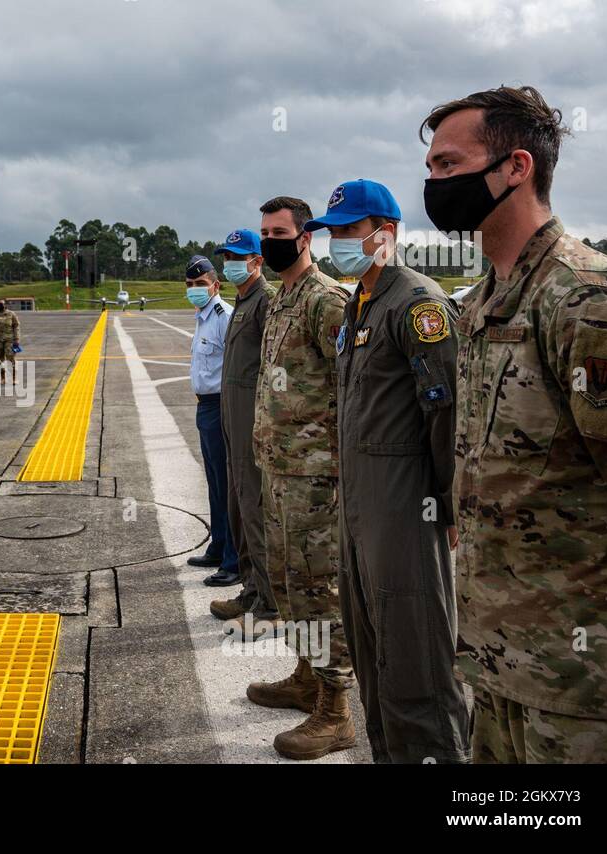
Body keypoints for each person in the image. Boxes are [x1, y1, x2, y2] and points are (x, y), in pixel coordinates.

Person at [423, 85, 607, 763]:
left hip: (584, 686)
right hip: (498, 659)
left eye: (448, 166)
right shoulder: (483, 301)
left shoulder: (584, 300)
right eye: (430, 170)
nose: (434, 184)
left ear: (517, 167)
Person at [311, 178, 469, 763]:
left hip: (407, 507)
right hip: (362, 510)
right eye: (332, 234)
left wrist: (448, 508)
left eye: (349, 231)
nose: (338, 243)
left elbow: (447, 411)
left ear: (386, 233)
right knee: (374, 649)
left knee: (416, 659)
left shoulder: (417, 303)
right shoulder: (360, 302)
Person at [247, 195, 356, 760]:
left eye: (279, 231)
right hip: (280, 469)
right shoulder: (282, 298)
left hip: (318, 477)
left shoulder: (325, 300)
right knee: (290, 587)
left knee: (321, 589)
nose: (269, 241)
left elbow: (354, 388)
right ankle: (307, 678)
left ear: (305, 236)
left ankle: (337, 711)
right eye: (263, 232)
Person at [210, 233, 279, 638]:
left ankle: (268, 605)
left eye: (237, 257)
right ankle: (251, 589)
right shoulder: (243, 301)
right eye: (226, 257)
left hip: (252, 424)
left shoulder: (265, 300)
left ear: (256, 261)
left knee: (255, 510)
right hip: (233, 422)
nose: (229, 263)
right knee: (239, 506)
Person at [182, 253, 239, 588]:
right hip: (205, 407)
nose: (195, 289)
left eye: (200, 284)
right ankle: (218, 546)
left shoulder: (223, 317)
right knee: (215, 484)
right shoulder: (203, 317)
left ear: (215, 285)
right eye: (190, 285)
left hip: (221, 407)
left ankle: (233, 560)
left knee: (228, 484)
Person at [0, 299, 20, 383]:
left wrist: (17, 339)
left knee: (11, 358)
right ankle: (3, 379)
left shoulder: (11, 314)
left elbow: (16, 327)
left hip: (9, 340)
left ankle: (14, 379)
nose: (0, 305)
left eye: (1, 304)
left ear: (5, 305)